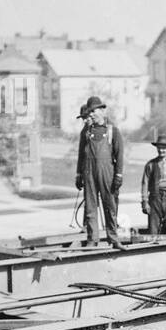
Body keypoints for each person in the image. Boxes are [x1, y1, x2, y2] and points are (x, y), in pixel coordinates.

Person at [74, 96, 125, 245]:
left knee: (110, 205)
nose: (90, 115)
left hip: (106, 172)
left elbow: (120, 155)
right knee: (90, 207)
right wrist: (78, 174)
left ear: (102, 111)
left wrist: (118, 175)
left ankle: (114, 239)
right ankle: (92, 239)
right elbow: (80, 155)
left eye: (93, 111)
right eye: (89, 112)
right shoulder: (86, 131)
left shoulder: (112, 131)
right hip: (88, 172)